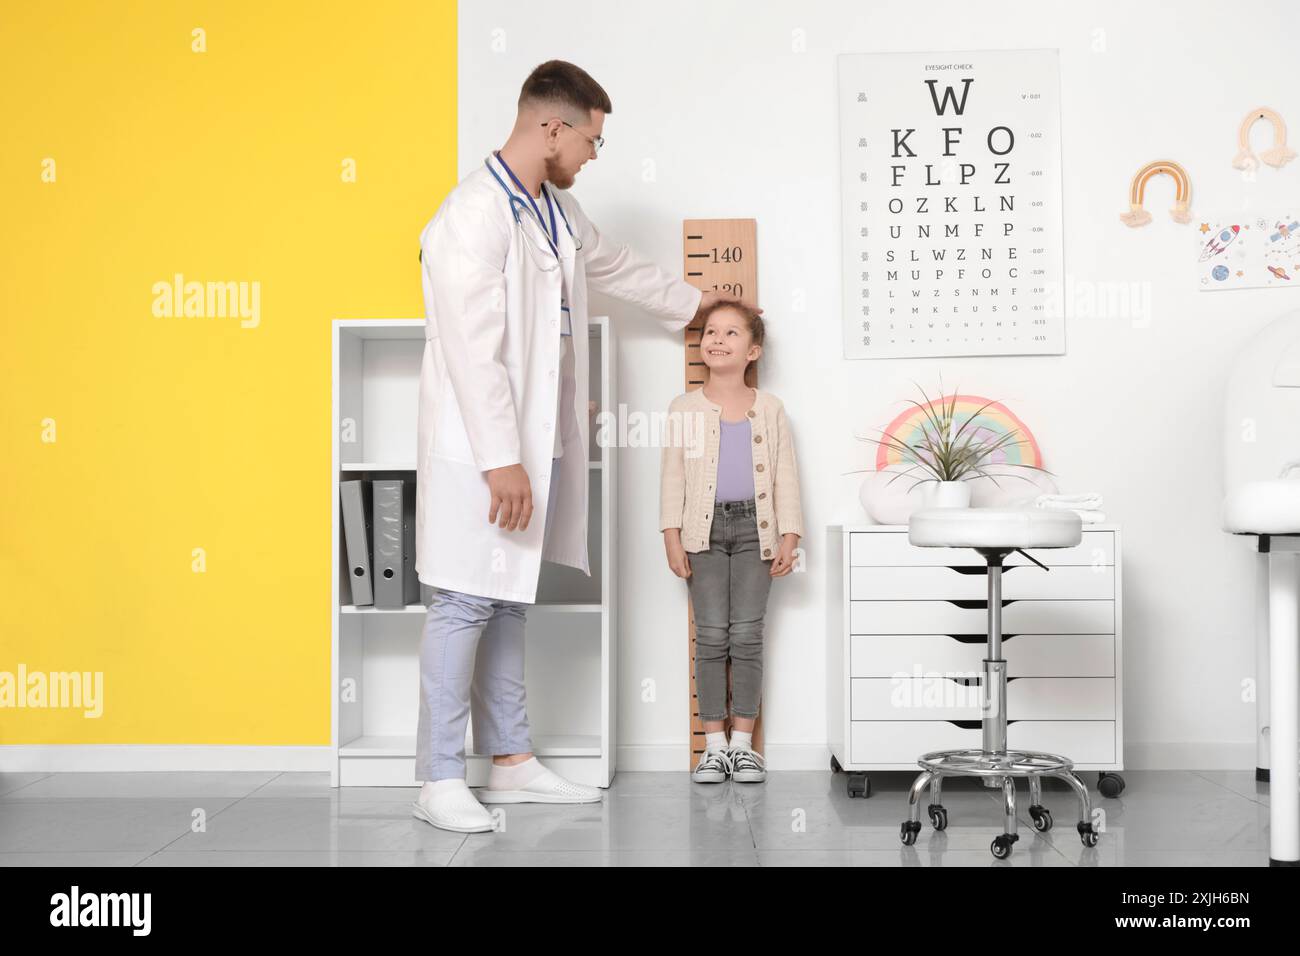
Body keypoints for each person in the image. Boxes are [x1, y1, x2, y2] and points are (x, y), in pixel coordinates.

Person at [413, 60, 747, 833]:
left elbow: (617, 266)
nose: (595, 153)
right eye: (592, 139)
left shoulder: (555, 211)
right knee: (464, 600)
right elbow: (471, 347)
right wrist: (500, 457)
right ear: (552, 127)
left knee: (507, 603)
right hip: (482, 447)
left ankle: (512, 761)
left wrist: (704, 305)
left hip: (529, 444)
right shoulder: (473, 214)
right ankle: (435, 778)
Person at [659, 300, 804, 785]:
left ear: (753, 350)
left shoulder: (771, 409)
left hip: (755, 532)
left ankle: (744, 746)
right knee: (712, 636)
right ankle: (713, 746)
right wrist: (671, 536)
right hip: (702, 533)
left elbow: (786, 474)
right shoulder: (683, 408)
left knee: (746, 635)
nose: (717, 340)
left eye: (731, 333)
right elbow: (673, 479)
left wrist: (790, 534)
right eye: (710, 332)